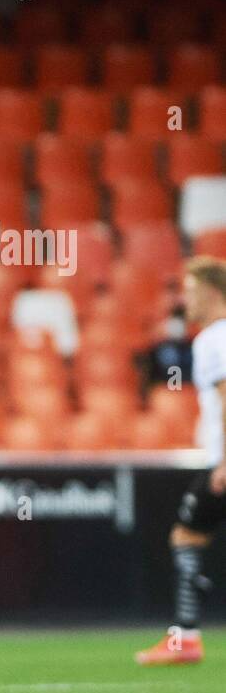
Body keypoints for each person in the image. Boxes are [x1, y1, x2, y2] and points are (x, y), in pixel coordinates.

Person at [136, 257, 226, 665]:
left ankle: (186, 637)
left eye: (189, 291)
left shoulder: (213, 338)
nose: (183, 300)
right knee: (188, 534)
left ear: (210, 291)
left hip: (222, 461)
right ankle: (185, 634)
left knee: (186, 537)